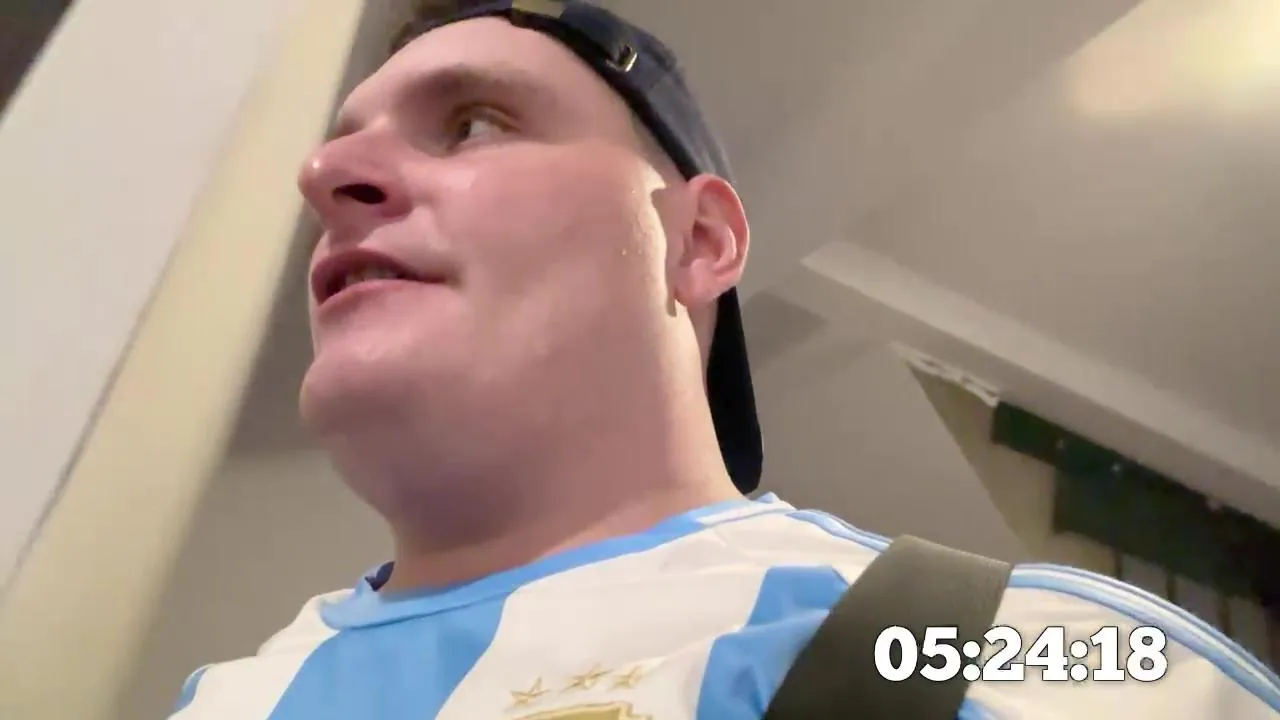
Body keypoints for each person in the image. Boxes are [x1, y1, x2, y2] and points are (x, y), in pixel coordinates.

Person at [167, 2, 1280, 718]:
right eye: (342, 142)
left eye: (474, 123)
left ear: (698, 241)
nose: (322, 177)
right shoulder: (222, 701)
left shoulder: (1029, 658)